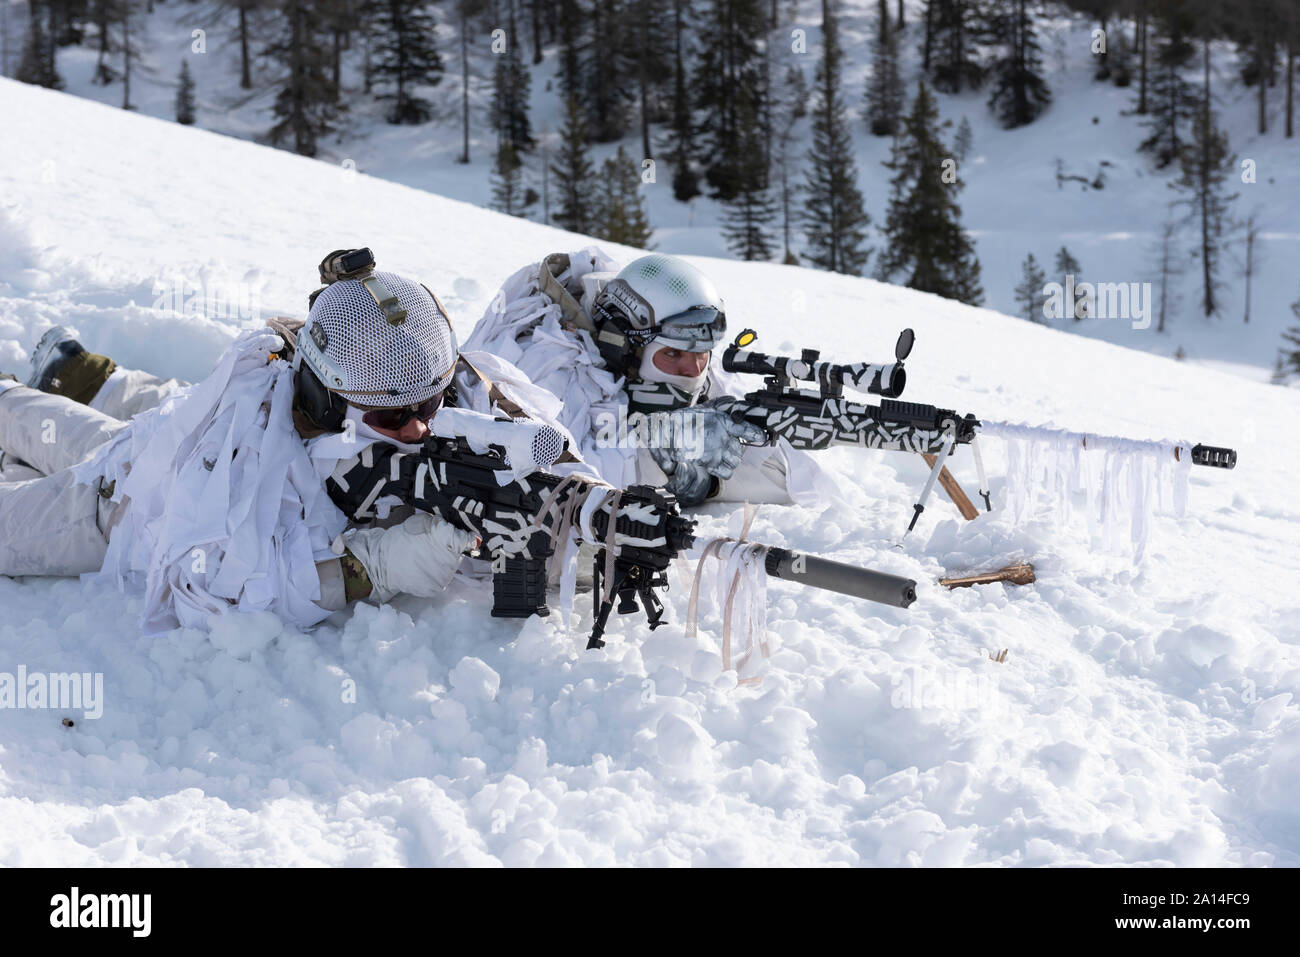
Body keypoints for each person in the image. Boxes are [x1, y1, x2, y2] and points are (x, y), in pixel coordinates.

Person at [0, 250, 591, 632]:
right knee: (68, 479)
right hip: (125, 506)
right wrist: (375, 568)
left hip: (149, 446)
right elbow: (221, 587)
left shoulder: (422, 381)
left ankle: (55, 380)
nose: (419, 430)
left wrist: (595, 514)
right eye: (390, 420)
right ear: (330, 398)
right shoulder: (261, 430)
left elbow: (543, 455)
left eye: (431, 405)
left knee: (90, 435)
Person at [462, 249, 832, 507]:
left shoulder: (702, 368)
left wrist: (705, 484)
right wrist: (659, 455)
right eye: (672, 354)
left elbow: (787, 475)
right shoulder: (553, 365)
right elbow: (556, 483)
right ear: (624, 347)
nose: (693, 372)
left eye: (701, 356)